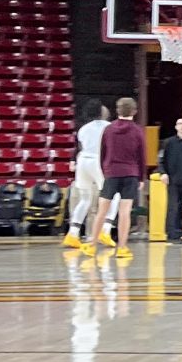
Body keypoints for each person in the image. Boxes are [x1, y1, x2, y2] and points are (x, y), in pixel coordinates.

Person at [89, 96, 145, 258]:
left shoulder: (109, 129)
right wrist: (141, 177)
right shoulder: (137, 131)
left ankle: (92, 245)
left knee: (102, 211)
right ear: (134, 111)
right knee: (125, 212)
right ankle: (122, 247)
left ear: (117, 110)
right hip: (131, 174)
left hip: (111, 174)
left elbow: (102, 153)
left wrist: (105, 171)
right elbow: (141, 156)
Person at [63, 99, 108, 250]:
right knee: (113, 196)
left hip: (82, 161)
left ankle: (73, 234)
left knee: (84, 200)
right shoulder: (108, 126)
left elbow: (79, 146)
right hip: (98, 161)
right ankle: (106, 230)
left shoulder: (83, 128)